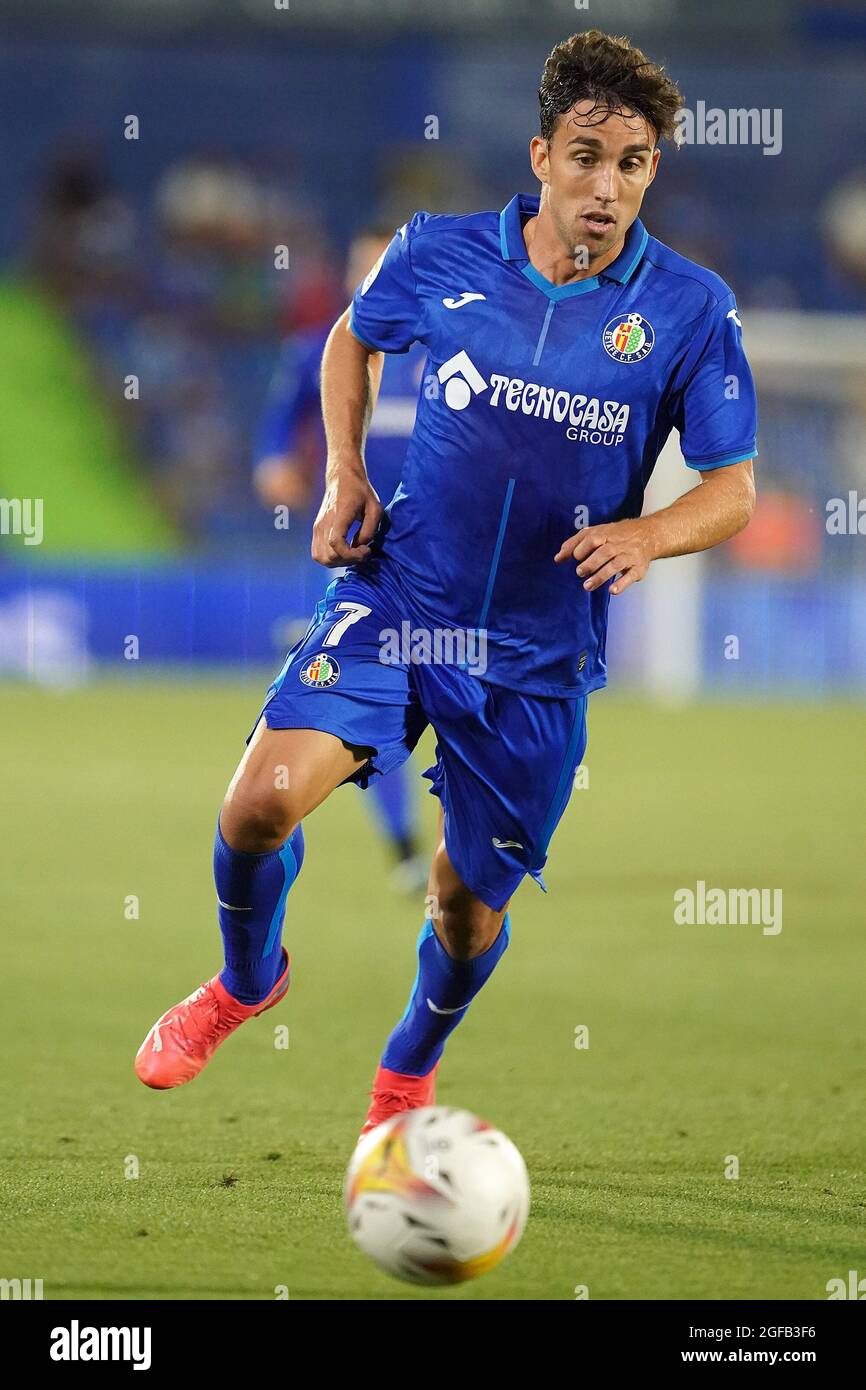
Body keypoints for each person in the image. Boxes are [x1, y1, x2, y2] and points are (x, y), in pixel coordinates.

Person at [135, 30, 757, 1143]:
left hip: (534, 652)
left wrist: (649, 534)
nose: (605, 186)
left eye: (631, 162)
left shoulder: (689, 309)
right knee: (256, 804)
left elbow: (733, 488)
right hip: (401, 600)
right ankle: (243, 980)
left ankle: (404, 1072)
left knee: (466, 914)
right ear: (538, 156)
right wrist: (343, 470)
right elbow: (347, 340)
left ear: (652, 169)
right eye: (583, 156)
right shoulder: (436, 252)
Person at [253, 226, 428, 892]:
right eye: (367, 268)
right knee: (369, 692)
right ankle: (406, 847)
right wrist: (272, 461)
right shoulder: (323, 350)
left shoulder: (445, 347)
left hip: (444, 555)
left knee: (448, 695)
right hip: (360, 549)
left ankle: (460, 855)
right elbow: (278, 421)